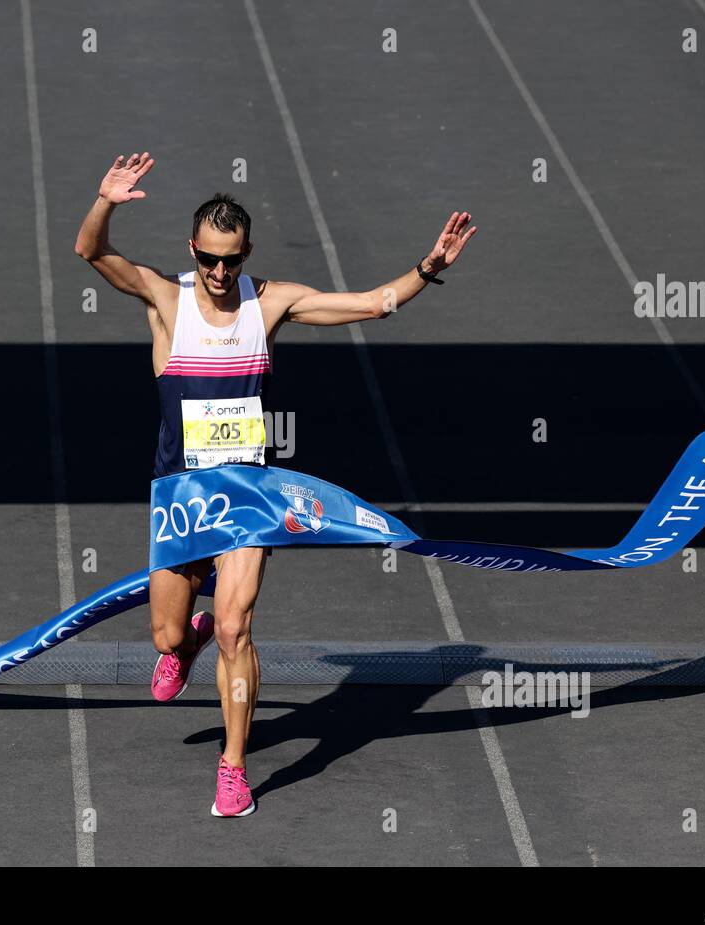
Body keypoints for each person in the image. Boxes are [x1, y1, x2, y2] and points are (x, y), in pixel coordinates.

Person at [74, 152, 476, 817]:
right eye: (209, 260)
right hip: (180, 495)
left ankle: (232, 767)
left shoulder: (272, 302)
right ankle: (188, 639)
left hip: (247, 497)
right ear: (193, 251)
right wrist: (106, 201)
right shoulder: (166, 300)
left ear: (247, 252)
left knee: (237, 627)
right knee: (168, 639)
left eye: (232, 260)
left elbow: (373, 305)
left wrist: (428, 269)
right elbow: (91, 250)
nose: (221, 273)